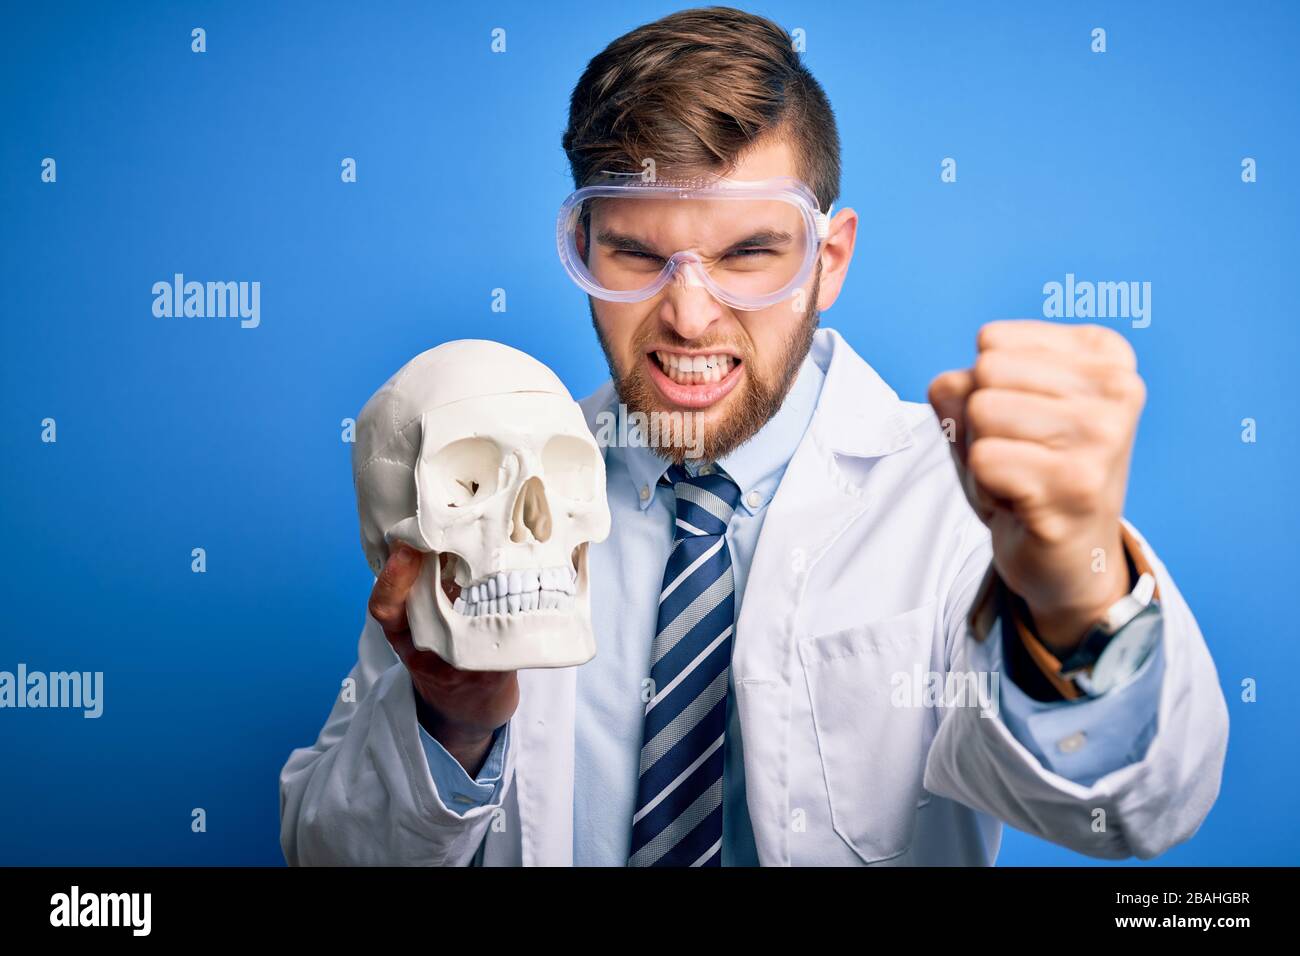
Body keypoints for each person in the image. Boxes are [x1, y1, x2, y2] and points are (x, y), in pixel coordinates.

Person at [279, 6, 1227, 866]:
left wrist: (1075, 597)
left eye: (749, 255)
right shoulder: (488, 492)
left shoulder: (953, 502)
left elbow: (1142, 809)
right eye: (636, 255)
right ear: (582, 250)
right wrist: (451, 722)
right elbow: (327, 852)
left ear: (830, 261)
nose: (690, 315)